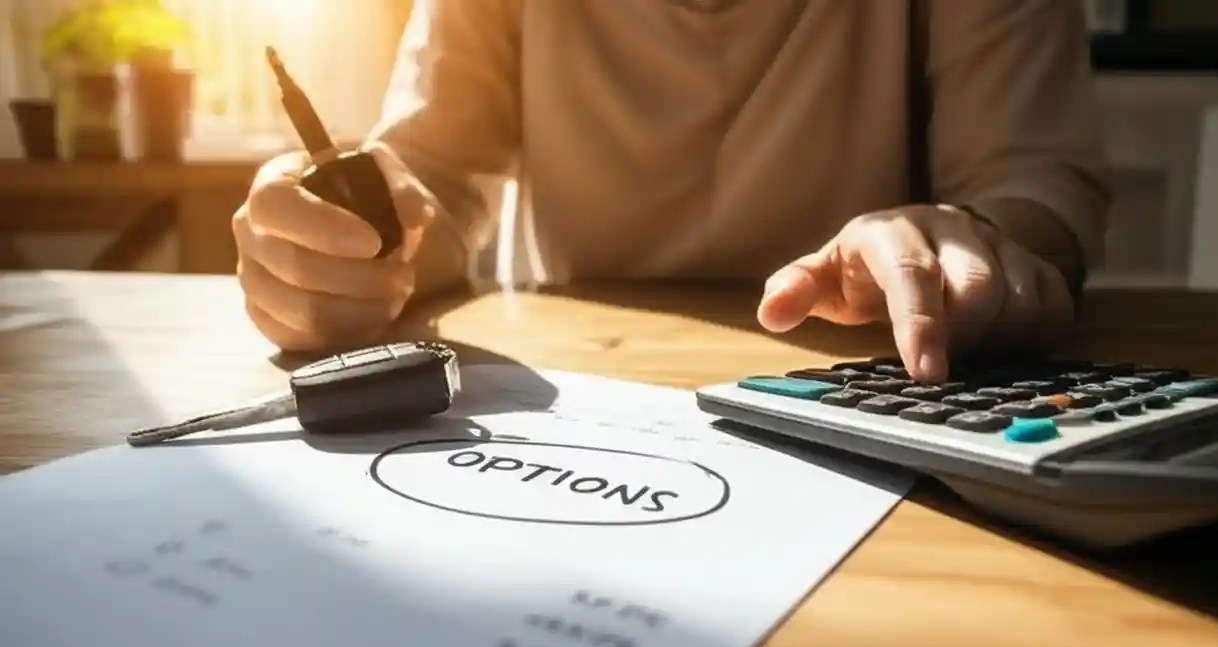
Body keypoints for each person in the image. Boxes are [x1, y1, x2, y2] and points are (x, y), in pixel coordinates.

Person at [233, 0, 1109, 383]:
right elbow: (432, 173)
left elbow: (1031, 184)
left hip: (877, 392)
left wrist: (974, 243)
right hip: (580, 409)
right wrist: (347, 251)